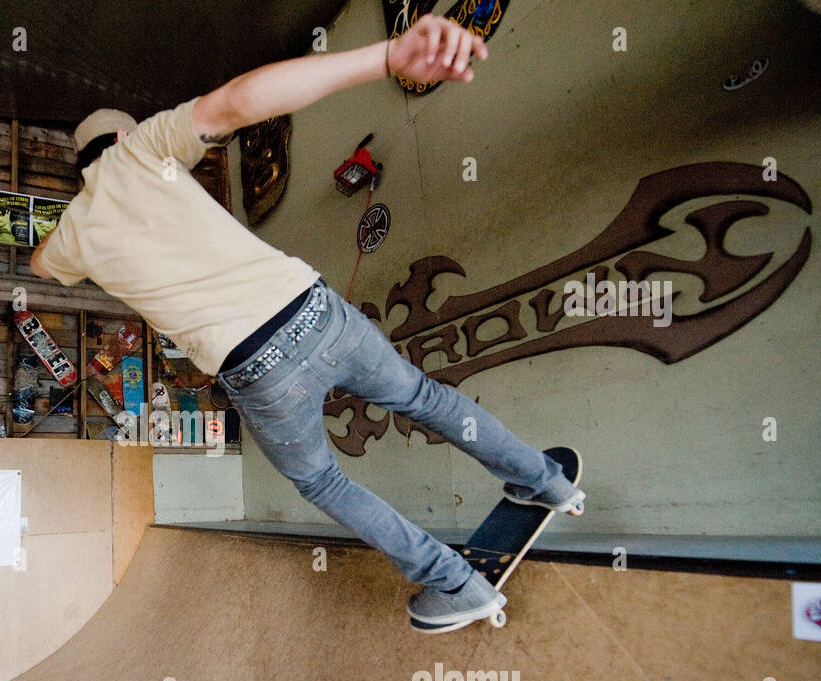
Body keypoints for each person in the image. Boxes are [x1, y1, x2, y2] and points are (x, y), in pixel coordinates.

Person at [31, 14, 584, 631]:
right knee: (425, 397)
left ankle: (456, 585)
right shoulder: (148, 150)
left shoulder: (75, 233)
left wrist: (73, 220)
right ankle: (547, 482)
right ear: (124, 136)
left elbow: (42, 265)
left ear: (81, 166)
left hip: (258, 370)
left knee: (322, 481)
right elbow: (234, 103)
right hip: (319, 313)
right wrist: (384, 57)